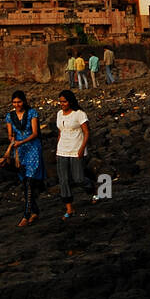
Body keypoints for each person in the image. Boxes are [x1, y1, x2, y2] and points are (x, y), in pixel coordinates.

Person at [0, 90, 45, 227]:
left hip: (32, 148)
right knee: (24, 181)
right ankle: (34, 211)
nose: (17, 104)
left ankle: (26, 214)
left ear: (24, 101)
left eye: (19, 102)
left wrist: (21, 141)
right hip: (20, 151)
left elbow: (35, 133)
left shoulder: (32, 113)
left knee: (29, 180)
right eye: (14, 102)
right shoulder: (10, 116)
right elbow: (10, 134)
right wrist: (12, 140)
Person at [54, 90, 90, 219]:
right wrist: (57, 149)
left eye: (64, 101)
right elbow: (60, 132)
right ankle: (69, 208)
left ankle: (92, 187)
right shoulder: (59, 114)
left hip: (76, 149)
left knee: (78, 178)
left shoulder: (79, 114)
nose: (62, 104)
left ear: (70, 101)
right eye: (61, 101)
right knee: (63, 180)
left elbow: (86, 132)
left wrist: (82, 149)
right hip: (62, 150)